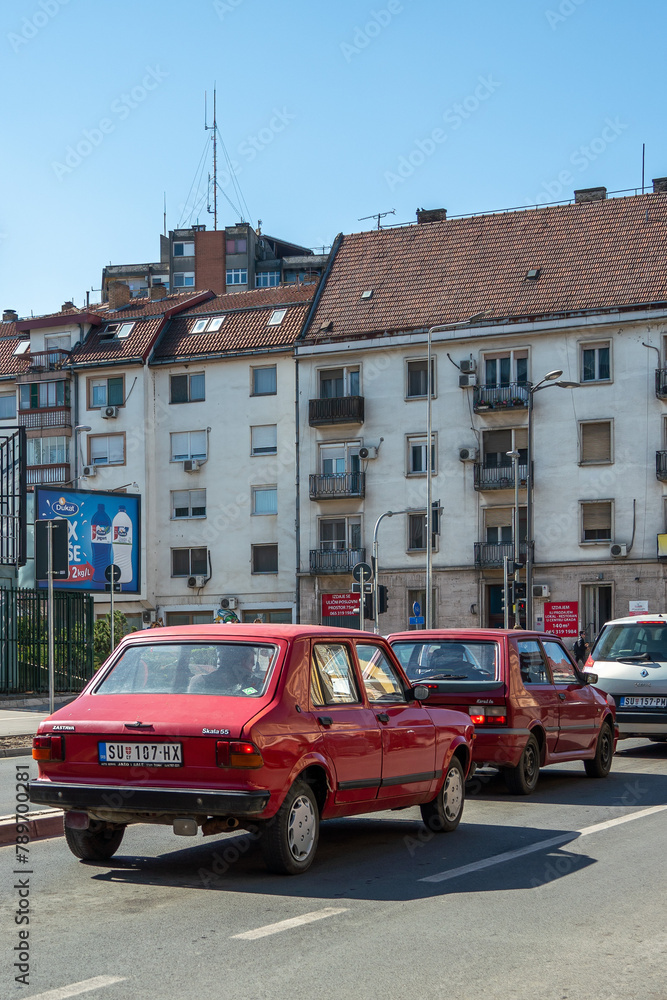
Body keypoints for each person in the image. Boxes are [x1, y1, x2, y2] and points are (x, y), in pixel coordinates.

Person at [188, 645, 262, 695]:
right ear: (241, 663)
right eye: (251, 661)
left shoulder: (251, 685)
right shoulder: (201, 682)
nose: (253, 665)